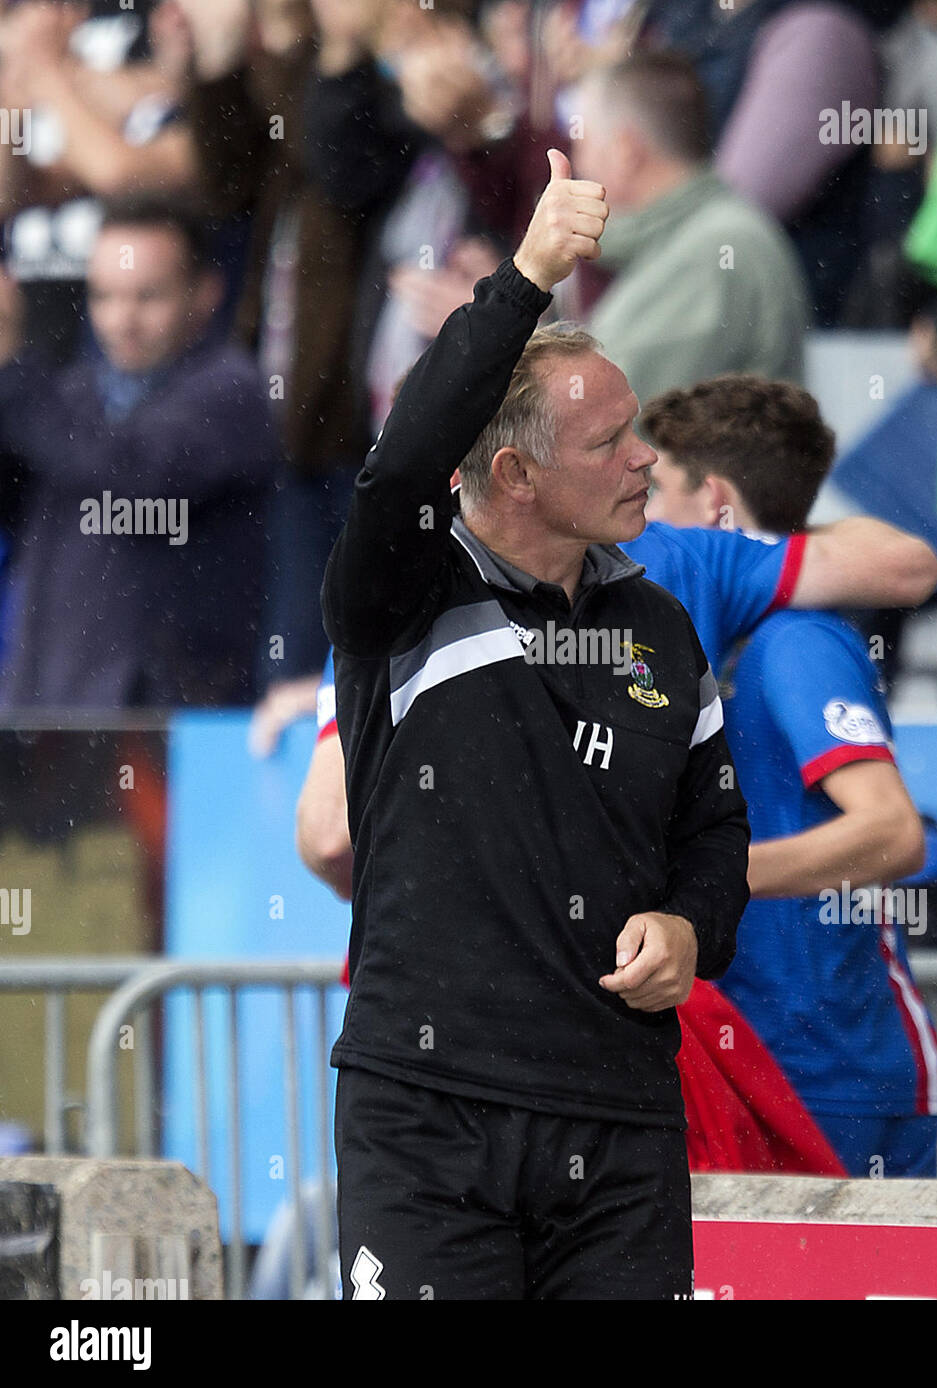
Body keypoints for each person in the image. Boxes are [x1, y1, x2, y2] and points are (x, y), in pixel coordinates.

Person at [323, 149, 755, 1301]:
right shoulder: (402, 592)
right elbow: (402, 463)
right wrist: (524, 274)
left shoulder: (658, 624)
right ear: (513, 471)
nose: (644, 456)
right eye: (610, 441)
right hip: (427, 1116)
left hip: (616, 1122)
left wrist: (686, 927)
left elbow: (715, 837)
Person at [644, 373, 937, 1177]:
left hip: (831, 1071)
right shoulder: (712, 642)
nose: (635, 505)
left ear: (714, 504)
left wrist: (703, 881)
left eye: (655, 485)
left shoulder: (793, 643)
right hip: (750, 1061)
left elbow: (890, 831)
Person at [0, 195, 279, 708]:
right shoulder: (71, 395)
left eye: (147, 297)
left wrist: (10, 368)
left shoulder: (231, 392)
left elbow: (134, 472)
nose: (121, 320)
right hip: (46, 715)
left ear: (206, 292)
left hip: (171, 728)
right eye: (105, 296)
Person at [572, 51, 809, 405]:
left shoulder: (712, 252)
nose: (577, 163)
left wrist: (499, 336)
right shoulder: (699, 235)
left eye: (581, 142)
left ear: (625, 150)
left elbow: (592, 416)